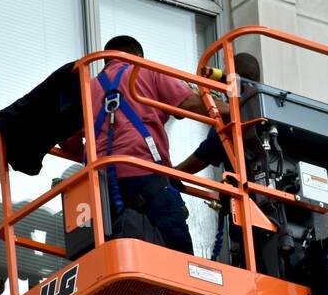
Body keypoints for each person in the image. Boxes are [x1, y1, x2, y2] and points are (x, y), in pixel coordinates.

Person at [61, 35, 214, 256]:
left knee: (111, 254)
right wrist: (231, 110)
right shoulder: (145, 71)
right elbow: (189, 104)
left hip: (98, 187)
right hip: (145, 174)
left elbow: (69, 144)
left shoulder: (86, 91)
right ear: (138, 56)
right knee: (178, 253)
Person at [174, 52, 262, 177]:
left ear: (236, 79)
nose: (223, 84)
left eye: (226, 78)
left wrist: (174, 173)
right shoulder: (268, 105)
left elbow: (206, 153)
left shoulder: (234, 116)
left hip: (247, 187)